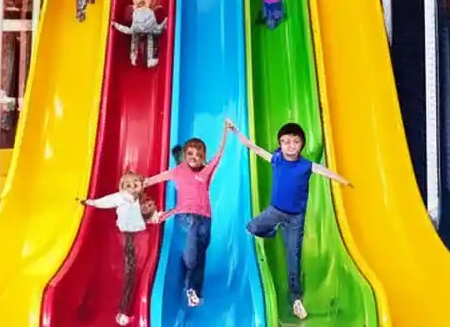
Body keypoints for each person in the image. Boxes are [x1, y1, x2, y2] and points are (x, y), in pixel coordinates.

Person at [231, 121, 353, 320]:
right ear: (280, 144)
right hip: (275, 212)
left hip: (295, 218)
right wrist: (236, 131)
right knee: (252, 226)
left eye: (295, 142)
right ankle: (272, 231)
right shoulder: (276, 160)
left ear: (302, 145)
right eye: (285, 142)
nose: (290, 146)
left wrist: (342, 180)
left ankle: (296, 299)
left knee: (293, 258)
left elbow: (324, 171)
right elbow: (252, 146)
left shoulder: (306, 166)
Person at [144, 122, 232, 308]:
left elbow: (219, 154)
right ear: (184, 156)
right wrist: (140, 184)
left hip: (206, 218)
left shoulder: (206, 171)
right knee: (192, 251)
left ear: (203, 158)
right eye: (190, 154)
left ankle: (193, 289)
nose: (195, 157)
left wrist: (225, 131)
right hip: (186, 216)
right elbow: (156, 178)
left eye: (199, 155)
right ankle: (188, 276)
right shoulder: (178, 171)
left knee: (201, 253)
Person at [78, 171, 160, 326]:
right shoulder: (121, 197)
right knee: (131, 273)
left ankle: (124, 307)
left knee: (136, 270)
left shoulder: (143, 199)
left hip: (139, 235)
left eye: (136, 184)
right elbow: (104, 202)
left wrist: (154, 216)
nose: (132, 187)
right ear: (122, 188)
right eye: (128, 185)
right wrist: (89, 202)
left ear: (142, 186)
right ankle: (123, 311)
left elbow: (149, 214)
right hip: (127, 236)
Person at [112, 0, 167, 68]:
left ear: (152, 1)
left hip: (150, 32)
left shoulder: (153, 11)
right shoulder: (131, 10)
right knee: (135, 37)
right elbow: (127, 22)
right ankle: (133, 56)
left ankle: (150, 58)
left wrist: (164, 23)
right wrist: (117, 25)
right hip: (136, 30)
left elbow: (157, 26)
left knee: (150, 38)